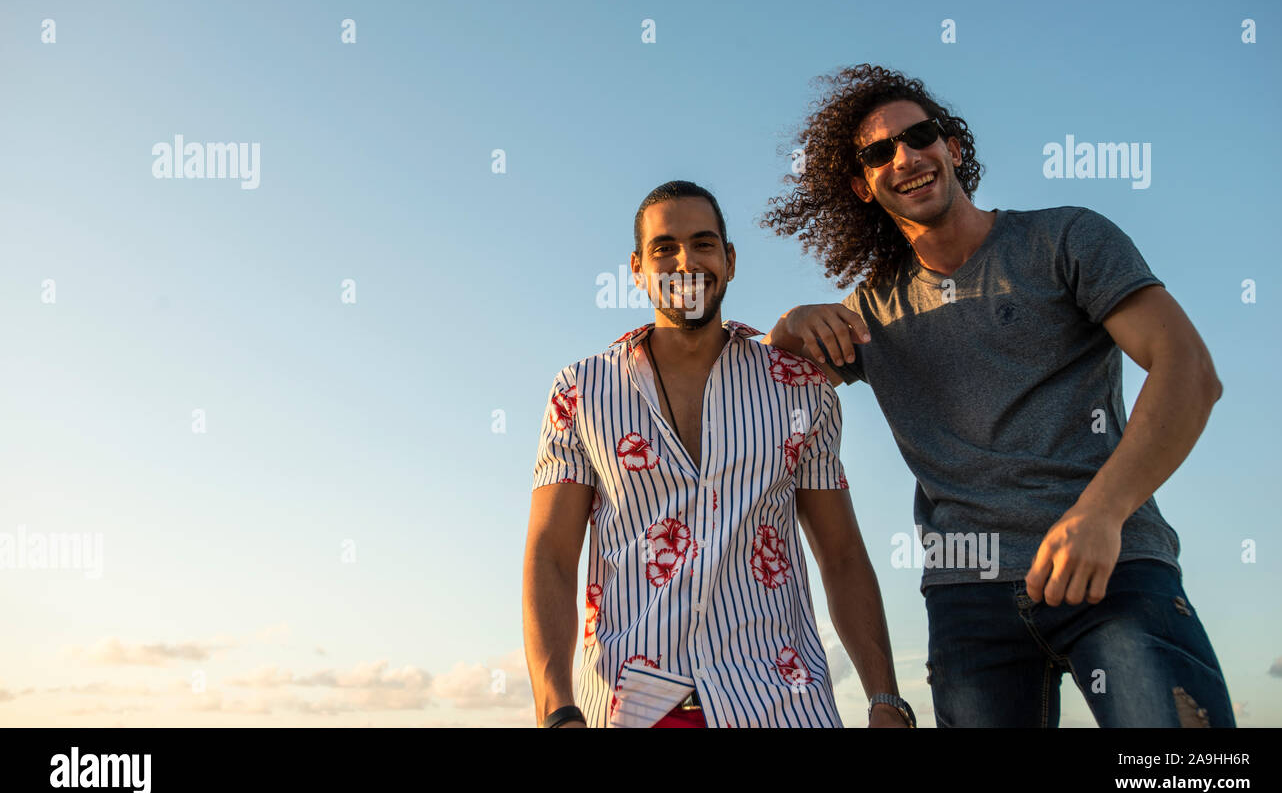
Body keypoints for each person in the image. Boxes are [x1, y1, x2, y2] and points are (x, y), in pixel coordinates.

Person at [761, 64, 1235, 727]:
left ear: (952, 146)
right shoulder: (870, 313)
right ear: (862, 186)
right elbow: (758, 393)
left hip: (1114, 566)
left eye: (921, 135)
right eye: (879, 153)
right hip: (968, 602)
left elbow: (1188, 369)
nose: (907, 157)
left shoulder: (1065, 239)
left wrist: (1102, 511)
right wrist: (785, 330)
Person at [523, 180, 911, 728]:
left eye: (704, 244)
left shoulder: (798, 386)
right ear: (637, 268)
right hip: (630, 705)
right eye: (665, 248)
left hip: (779, 701)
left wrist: (885, 698)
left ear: (729, 260)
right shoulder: (580, 391)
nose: (686, 261)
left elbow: (842, 554)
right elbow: (551, 555)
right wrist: (556, 709)